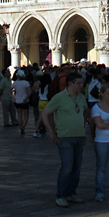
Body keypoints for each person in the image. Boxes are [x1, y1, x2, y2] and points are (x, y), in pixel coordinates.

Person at [41, 71, 90, 208]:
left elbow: (86, 111)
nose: (81, 85)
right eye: (78, 83)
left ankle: (71, 193)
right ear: (70, 84)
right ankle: (61, 195)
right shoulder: (59, 97)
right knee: (67, 166)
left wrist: (84, 122)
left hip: (79, 135)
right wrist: (51, 131)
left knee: (77, 167)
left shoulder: (81, 97)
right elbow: (46, 113)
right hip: (64, 137)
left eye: (82, 82)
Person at [12, 69, 32, 135]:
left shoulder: (15, 83)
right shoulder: (26, 83)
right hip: (25, 100)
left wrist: (13, 97)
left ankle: (20, 126)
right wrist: (26, 98)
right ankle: (23, 126)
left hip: (17, 100)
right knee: (26, 115)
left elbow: (9, 91)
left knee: (19, 114)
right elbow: (30, 92)